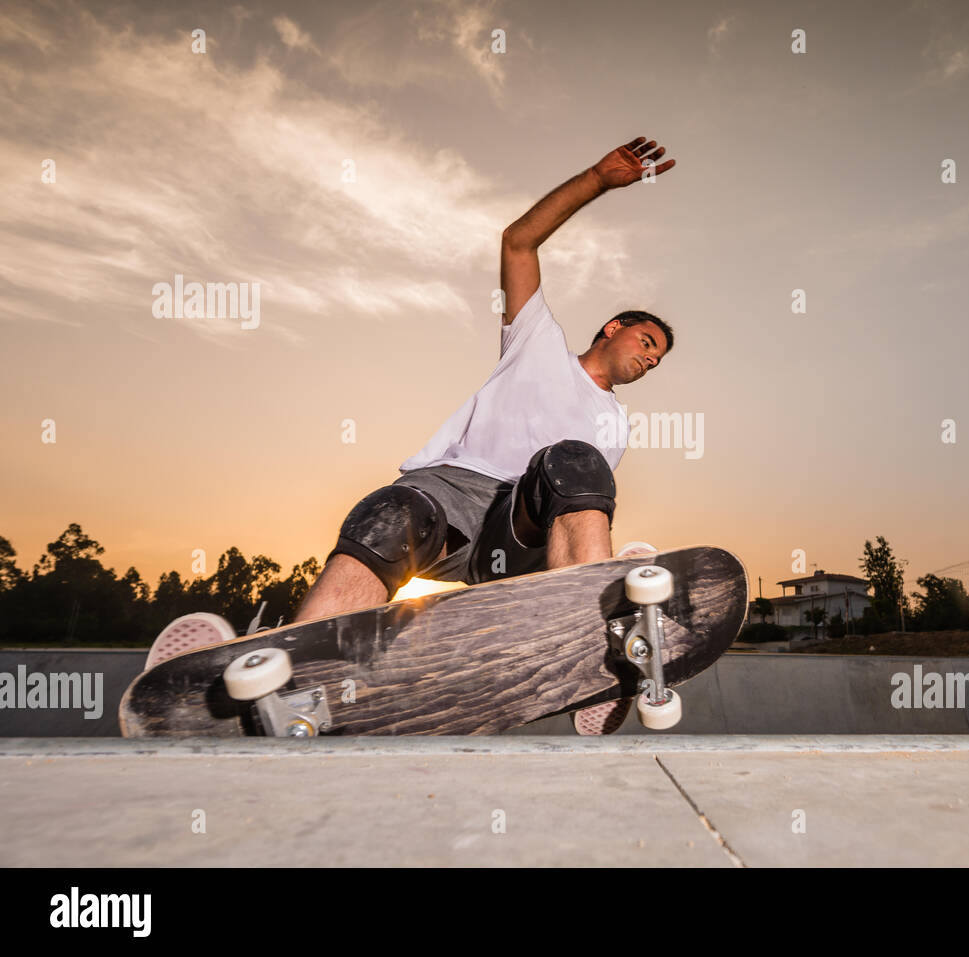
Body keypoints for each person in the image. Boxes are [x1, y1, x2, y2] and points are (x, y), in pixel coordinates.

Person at [146, 136, 678, 734]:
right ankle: (289, 674)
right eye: (648, 343)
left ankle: (590, 634)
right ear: (614, 327)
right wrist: (597, 181)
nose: (651, 360)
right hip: (448, 498)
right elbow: (518, 240)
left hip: (518, 525)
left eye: (658, 360)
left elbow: (578, 513)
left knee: (576, 462)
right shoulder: (537, 341)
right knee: (391, 512)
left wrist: (594, 565)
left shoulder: (614, 424)